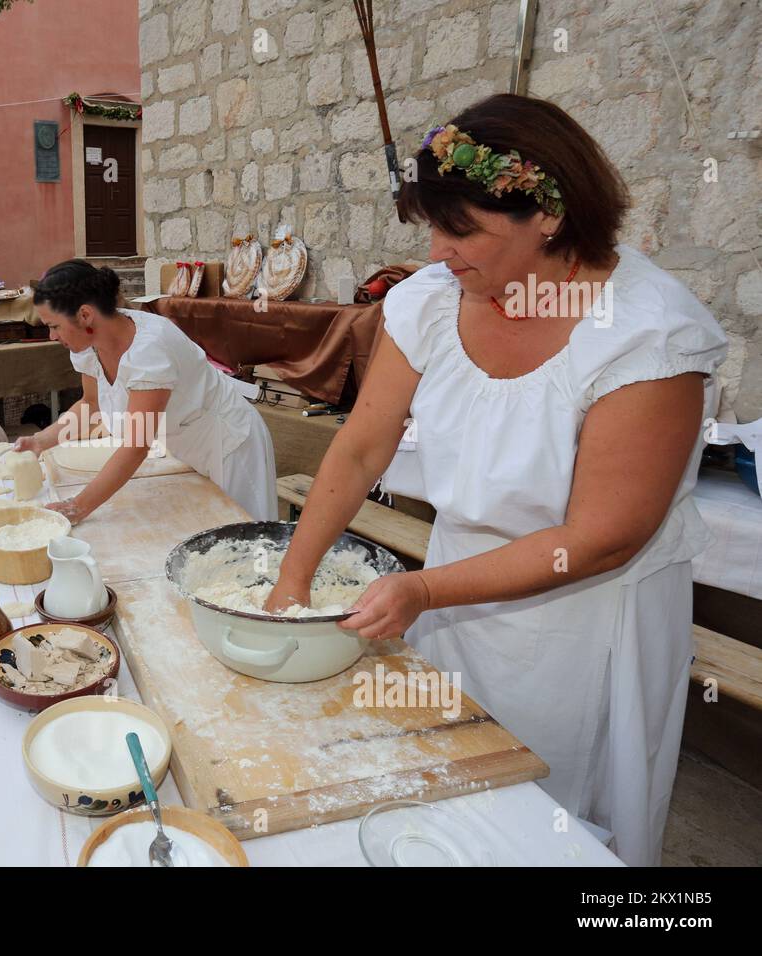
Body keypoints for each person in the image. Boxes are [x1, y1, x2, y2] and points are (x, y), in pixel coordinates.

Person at [264, 95, 730, 866]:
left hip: (585, 622)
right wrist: (294, 573)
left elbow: (599, 539)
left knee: (553, 819)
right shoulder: (429, 303)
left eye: (463, 230)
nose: (440, 252)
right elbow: (359, 450)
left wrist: (421, 592)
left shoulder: (647, 335)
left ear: (546, 215)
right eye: (433, 230)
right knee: (453, 791)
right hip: (458, 590)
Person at [15, 259, 276, 523]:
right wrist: (40, 441)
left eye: (54, 326)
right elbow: (90, 405)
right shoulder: (90, 346)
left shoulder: (149, 351)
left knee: (246, 535)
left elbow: (136, 445)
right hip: (190, 442)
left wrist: (79, 506)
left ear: (85, 315)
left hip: (230, 445)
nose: (52, 336)